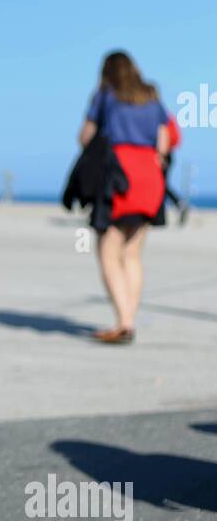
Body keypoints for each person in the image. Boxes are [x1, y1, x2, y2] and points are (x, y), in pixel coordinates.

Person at [78, 51, 170, 343]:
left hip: (119, 175)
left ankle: (124, 322)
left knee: (108, 248)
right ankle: (128, 318)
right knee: (132, 252)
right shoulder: (151, 95)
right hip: (150, 175)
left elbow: (85, 136)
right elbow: (164, 140)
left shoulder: (106, 95)